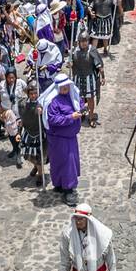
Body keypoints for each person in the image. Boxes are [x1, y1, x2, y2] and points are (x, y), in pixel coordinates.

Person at [45, 75, 84, 203]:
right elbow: (53, 119)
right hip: (59, 138)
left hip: (69, 137)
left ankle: (63, 184)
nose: (65, 88)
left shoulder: (72, 95)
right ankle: (66, 189)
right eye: (63, 87)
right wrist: (70, 117)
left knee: (69, 163)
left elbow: (80, 103)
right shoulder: (53, 101)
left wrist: (81, 109)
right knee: (63, 163)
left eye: (67, 86)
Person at [71, 32, 105, 128]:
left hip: (89, 78)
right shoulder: (74, 51)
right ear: (79, 42)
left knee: (90, 98)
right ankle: (80, 114)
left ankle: (91, 117)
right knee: (79, 98)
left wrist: (103, 76)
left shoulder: (92, 50)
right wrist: (70, 64)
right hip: (77, 78)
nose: (84, 43)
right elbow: (71, 63)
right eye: (82, 41)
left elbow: (99, 66)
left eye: (85, 41)